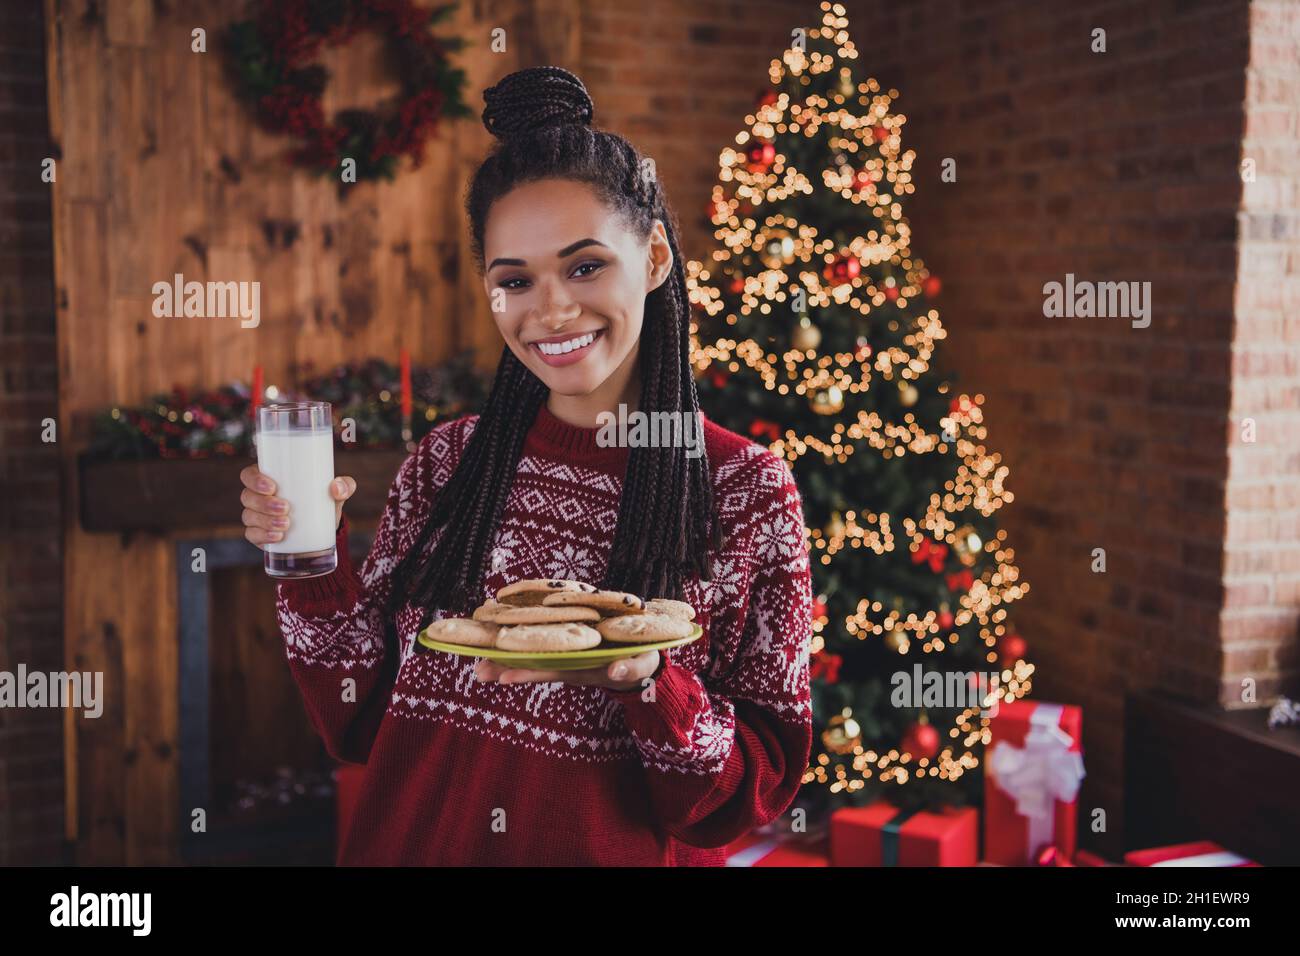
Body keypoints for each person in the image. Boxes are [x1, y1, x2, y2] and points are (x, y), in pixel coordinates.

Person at [238, 65, 813, 865]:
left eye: (585, 266)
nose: (550, 310)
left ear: (652, 259)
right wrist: (313, 562)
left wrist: (651, 685)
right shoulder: (445, 463)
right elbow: (357, 722)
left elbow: (745, 795)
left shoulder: (746, 489)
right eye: (516, 280)